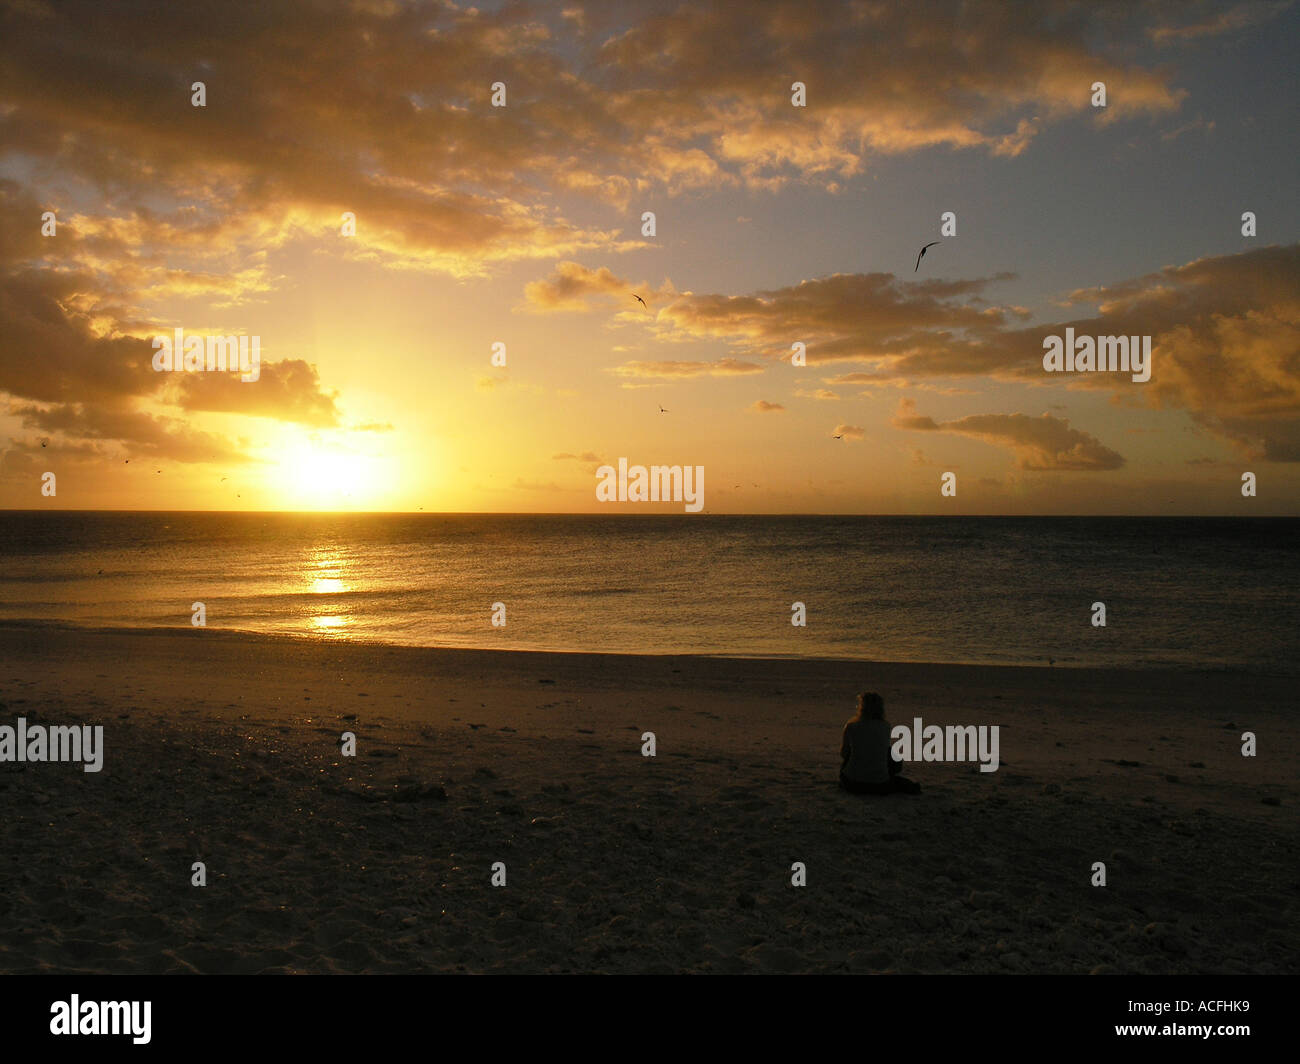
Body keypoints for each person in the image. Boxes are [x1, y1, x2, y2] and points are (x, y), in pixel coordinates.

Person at [840, 692, 921, 795]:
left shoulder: (851, 726)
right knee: (890, 752)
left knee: (855, 751)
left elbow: (843, 753)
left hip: (852, 783)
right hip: (880, 783)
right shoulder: (885, 726)